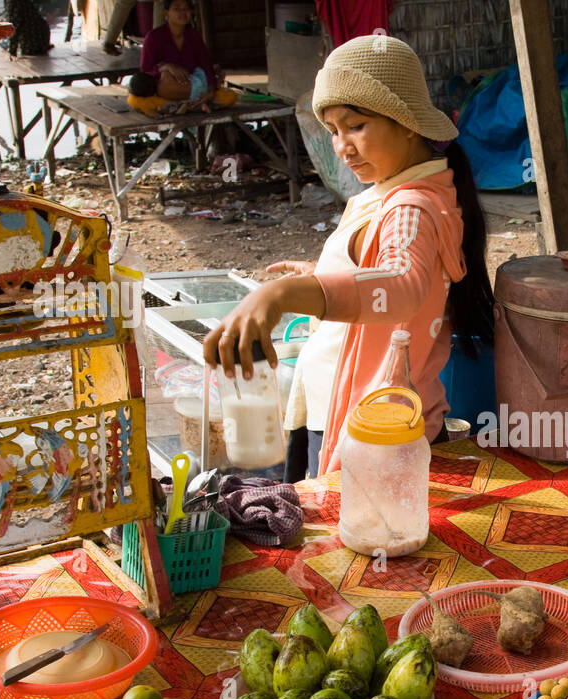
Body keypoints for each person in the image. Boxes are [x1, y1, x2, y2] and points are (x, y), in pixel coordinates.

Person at [202, 35, 494, 479]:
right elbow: (387, 268)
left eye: (355, 125)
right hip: (336, 410)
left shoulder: (411, 205)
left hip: (372, 433)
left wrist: (281, 294)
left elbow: (403, 285)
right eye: (334, 131)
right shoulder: (401, 189)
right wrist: (327, 273)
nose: (342, 146)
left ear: (407, 121)